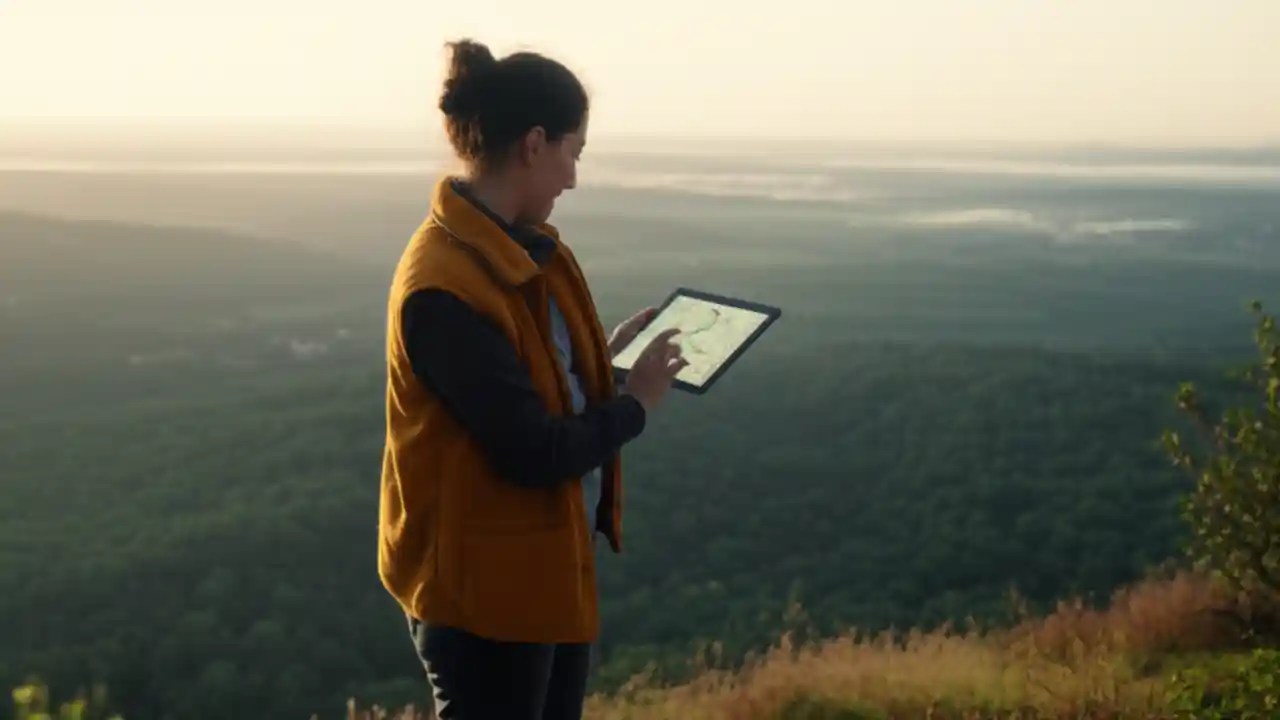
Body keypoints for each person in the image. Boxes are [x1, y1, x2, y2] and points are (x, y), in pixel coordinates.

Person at [377, 38, 687, 720]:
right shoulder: (445, 286)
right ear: (535, 144)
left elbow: (519, 386)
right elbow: (531, 451)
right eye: (574, 153)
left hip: (536, 574)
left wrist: (594, 370)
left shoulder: (513, 248)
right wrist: (633, 408)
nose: (573, 177)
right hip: (484, 596)